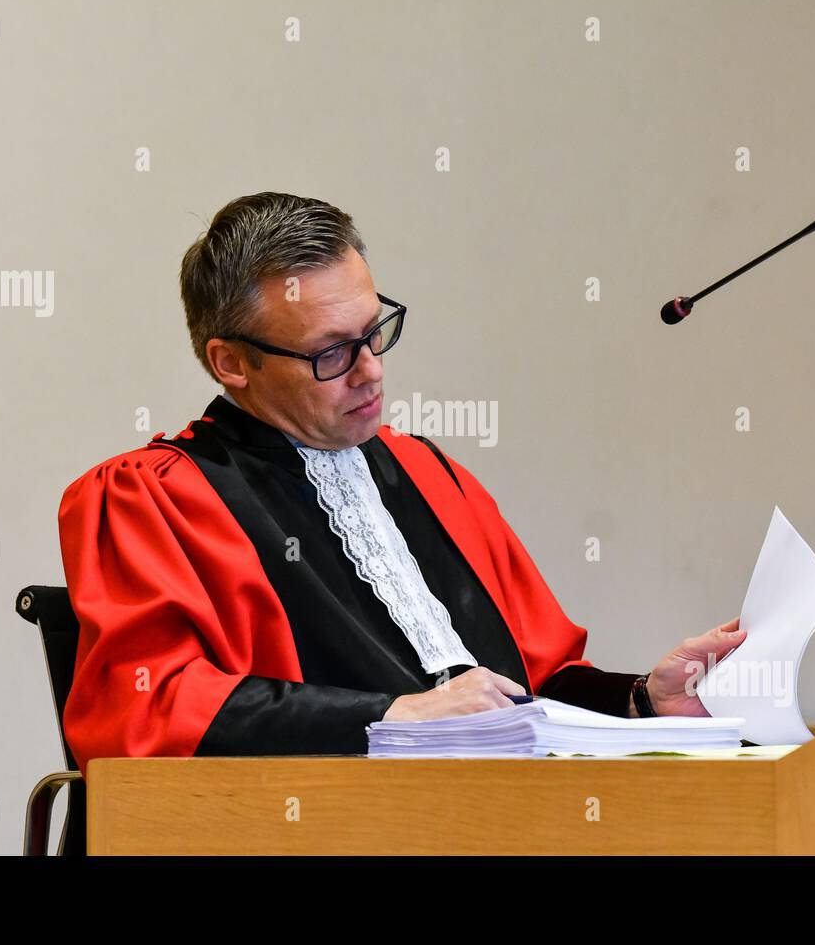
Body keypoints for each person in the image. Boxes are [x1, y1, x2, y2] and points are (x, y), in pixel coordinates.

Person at [57, 191, 745, 776]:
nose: (371, 371)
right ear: (231, 361)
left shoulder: (427, 473)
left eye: (374, 332)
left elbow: (535, 683)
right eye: (332, 351)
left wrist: (642, 700)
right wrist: (395, 718)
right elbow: (147, 713)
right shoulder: (149, 499)